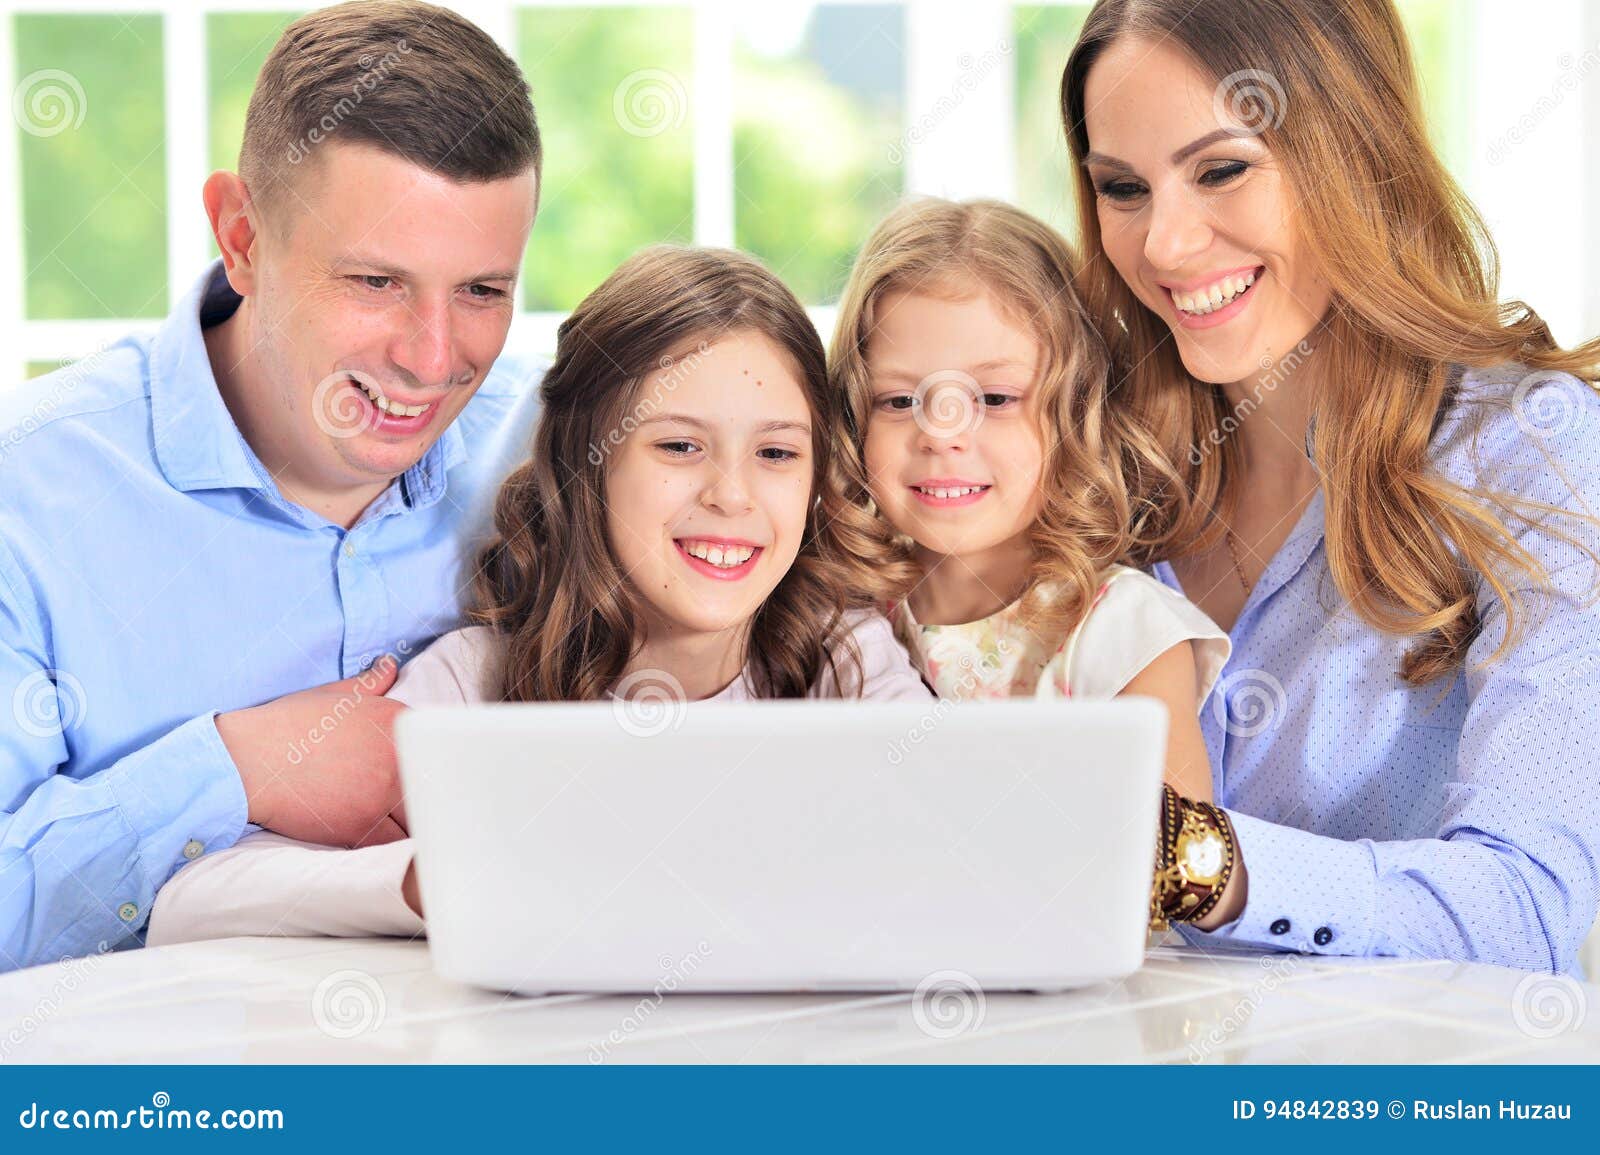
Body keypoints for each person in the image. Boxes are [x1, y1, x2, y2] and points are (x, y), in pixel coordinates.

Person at [147, 245, 931, 944]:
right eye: (679, 445)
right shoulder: (477, 678)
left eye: (775, 452)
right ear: (588, 466)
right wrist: (431, 877)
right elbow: (197, 900)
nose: (732, 495)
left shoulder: (843, 653)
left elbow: (959, 829)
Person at [0, 0, 543, 970]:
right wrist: (231, 772)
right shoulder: (28, 502)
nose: (432, 357)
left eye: (482, 291)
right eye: (375, 282)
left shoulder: (551, 450)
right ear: (241, 236)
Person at [1063, 0, 1600, 973]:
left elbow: (1528, 906)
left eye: (1221, 169)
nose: (1165, 246)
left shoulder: (1533, 452)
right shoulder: (1101, 478)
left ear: (1353, 151)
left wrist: (1192, 862)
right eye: (1123, 188)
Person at [831, 197, 1228, 802]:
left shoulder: (1122, 633)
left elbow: (1184, 874)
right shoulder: (842, 612)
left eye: (993, 399)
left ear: (1076, 413)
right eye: (899, 400)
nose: (942, 435)